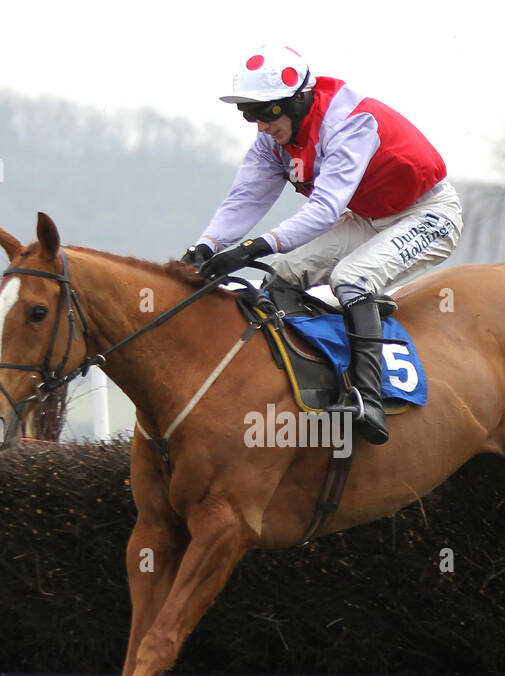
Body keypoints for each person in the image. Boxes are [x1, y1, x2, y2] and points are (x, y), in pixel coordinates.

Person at [182, 44, 463, 444]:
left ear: (299, 100)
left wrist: (252, 248)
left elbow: (325, 209)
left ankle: (368, 400)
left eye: (267, 111)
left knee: (351, 277)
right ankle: (299, 385)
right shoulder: (272, 140)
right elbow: (246, 198)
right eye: (250, 113)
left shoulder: (349, 122)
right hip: (368, 218)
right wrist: (206, 246)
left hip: (428, 213)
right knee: (282, 273)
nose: (260, 124)